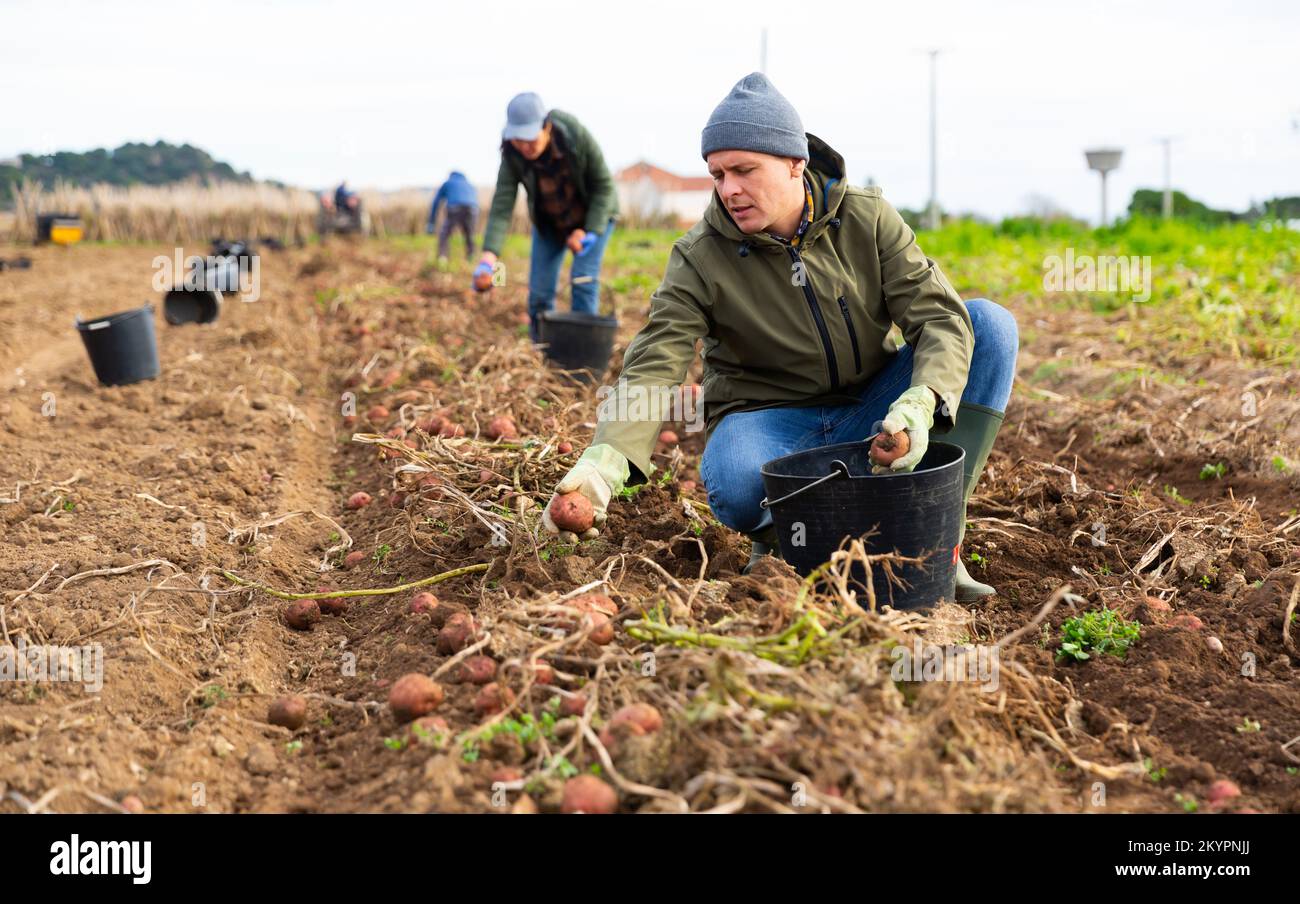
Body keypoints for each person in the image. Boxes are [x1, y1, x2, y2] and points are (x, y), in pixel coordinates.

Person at [541, 73, 1019, 602]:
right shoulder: (700, 257)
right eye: (717, 174)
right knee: (736, 480)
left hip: (870, 410)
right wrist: (607, 459)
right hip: (769, 427)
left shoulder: (866, 217)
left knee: (988, 327)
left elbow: (938, 318)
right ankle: (792, 545)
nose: (729, 190)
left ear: (796, 164)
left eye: (744, 170)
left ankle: (933, 537)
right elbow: (657, 357)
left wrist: (921, 401)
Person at [475, 92, 619, 341]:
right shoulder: (512, 155)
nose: (525, 146)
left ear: (547, 127)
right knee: (540, 293)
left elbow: (604, 186)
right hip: (551, 224)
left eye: (530, 138)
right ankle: (543, 349)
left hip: (593, 219)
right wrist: (489, 256)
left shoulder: (574, 135)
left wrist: (588, 230)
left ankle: (582, 351)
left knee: (582, 281)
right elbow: (502, 205)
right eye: (518, 140)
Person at [427, 170, 479, 262]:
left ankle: (442, 258)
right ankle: (471, 258)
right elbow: (475, 201)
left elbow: (436, 202)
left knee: (444, 234)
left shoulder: (448, 183)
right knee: (469, 234)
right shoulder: (469, 185)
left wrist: (431, 223)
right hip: (472, 209)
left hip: (455, 208)